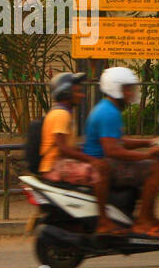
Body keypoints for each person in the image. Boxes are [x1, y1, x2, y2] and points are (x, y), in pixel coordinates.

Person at [82, 66, 159, 236]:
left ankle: (147, 217)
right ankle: (143, 221)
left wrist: (149, 142)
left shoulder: (108, 108)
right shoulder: (108, 113)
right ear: (116, 89)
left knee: (150, 163)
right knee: (155, 167)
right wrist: (146, 154)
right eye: (127, 89)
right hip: (103, 165)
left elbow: (119, 141)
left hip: (106, 162)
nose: (131, 93)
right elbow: (112, 150)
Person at [39, 72, 116, 233]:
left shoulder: (63, 113)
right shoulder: (61, 115)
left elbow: (67, 147)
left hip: (59, 162)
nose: (81, 95)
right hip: (55, 166)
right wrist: (91, 160)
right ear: (66, 93)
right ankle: (103, 220)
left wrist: (87, 153)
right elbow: (62, 148)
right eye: (77, 91)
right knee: (100, 172)